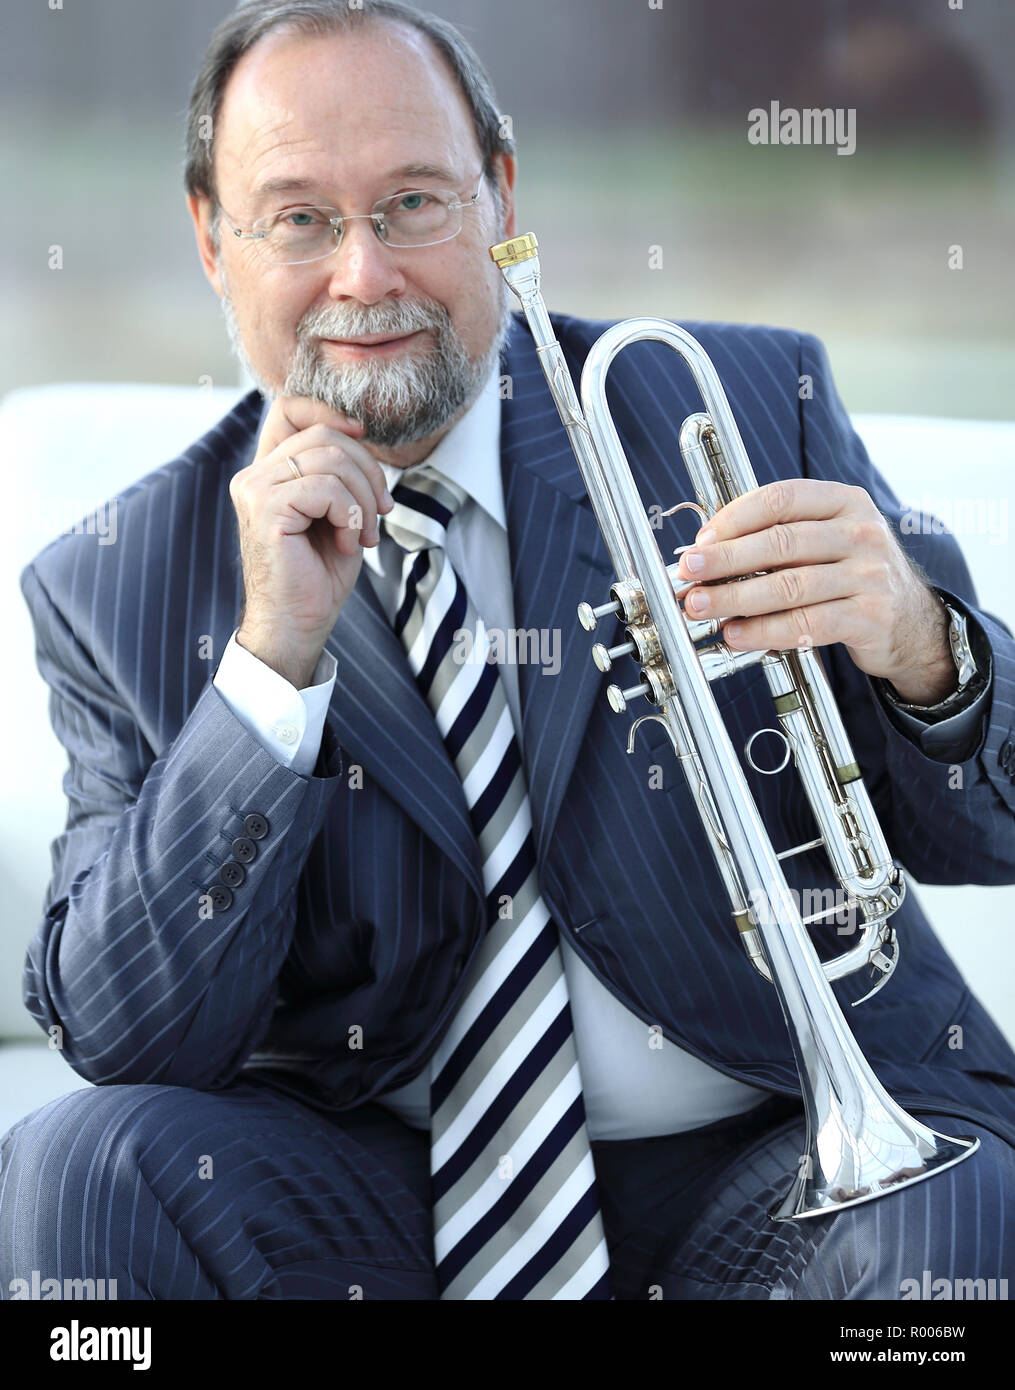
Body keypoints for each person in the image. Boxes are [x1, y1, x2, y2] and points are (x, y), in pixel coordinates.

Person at [3, 0, 1014, 1301]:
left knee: (956, 1233)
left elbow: (989, 831)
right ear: (213, 237)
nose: (363, 276)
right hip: (378, 1204)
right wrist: (268, 671)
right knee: (74, 1175)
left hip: (781, 1160)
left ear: (499, 193)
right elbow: (126, 1026)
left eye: (414, 202)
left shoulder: (749, 402)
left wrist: (929, 652)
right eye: (301, 219)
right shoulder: (116, 576)